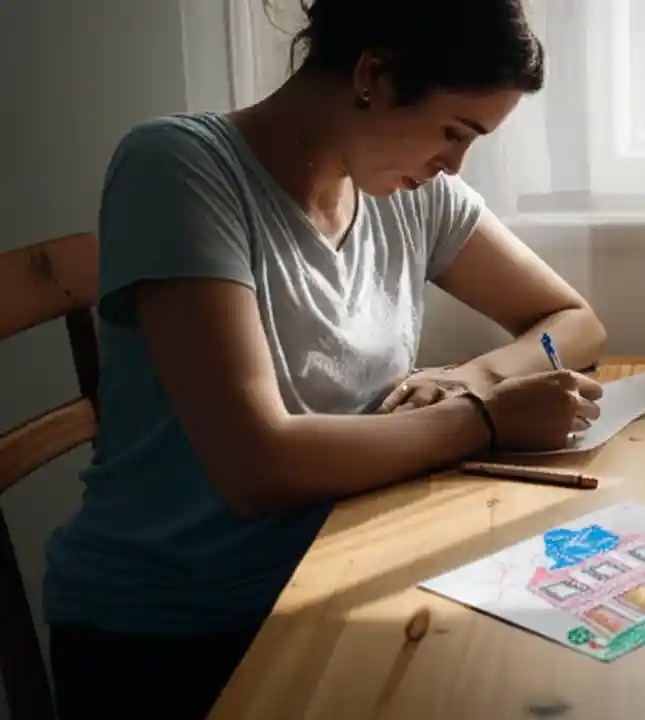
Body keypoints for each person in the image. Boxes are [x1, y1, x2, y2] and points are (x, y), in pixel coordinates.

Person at [43, 1, 606, 717]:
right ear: (373, 74)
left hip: (330, 570)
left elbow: (574, 323)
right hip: (173, 631)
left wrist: (473, 377)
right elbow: (259, 466)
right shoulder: (178, 170)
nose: (452, 167)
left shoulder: (407, 197)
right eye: (453, 132)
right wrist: (486, 420)